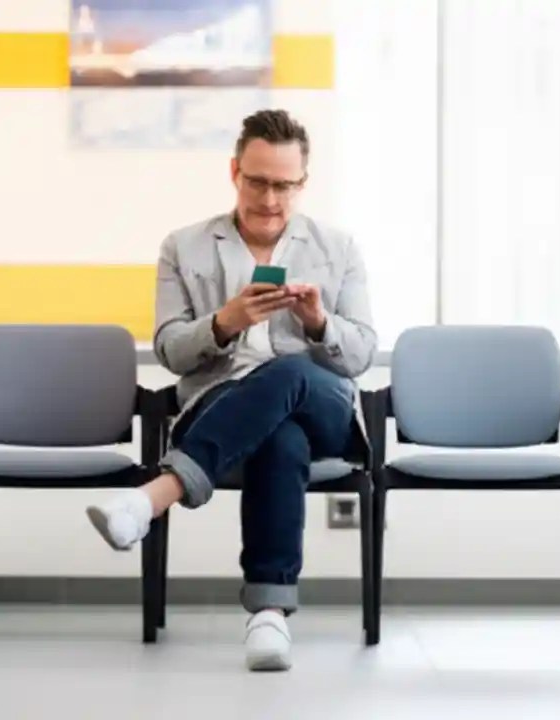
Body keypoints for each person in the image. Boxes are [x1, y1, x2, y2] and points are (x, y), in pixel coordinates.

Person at [85, 109, 376, 671]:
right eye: (258, 182)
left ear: (303, 183)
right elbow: (170, 350)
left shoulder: (338, 248)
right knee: (279, 438)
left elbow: (362, 353)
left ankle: (156, 496)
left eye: (284, 186)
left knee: (289, 375)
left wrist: (318, 324)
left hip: (324, 405)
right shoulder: (184, 246)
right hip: (222, 405)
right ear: (235, 172)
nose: (270, 199)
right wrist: (225, 321)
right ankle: (269, 613)